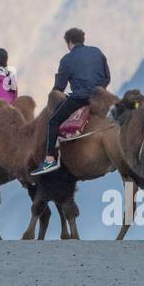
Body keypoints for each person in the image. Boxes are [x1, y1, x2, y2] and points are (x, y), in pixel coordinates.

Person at [33, 28, 110, 175]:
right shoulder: (97, 52)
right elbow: (107, 77)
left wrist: (56, 92)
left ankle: (49, 161)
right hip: (101, 96)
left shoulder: (67, 59)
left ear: (69, 42)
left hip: (81, 98)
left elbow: (59, 88)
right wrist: (100, 90)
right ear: (83, 39)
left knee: (53, 122)